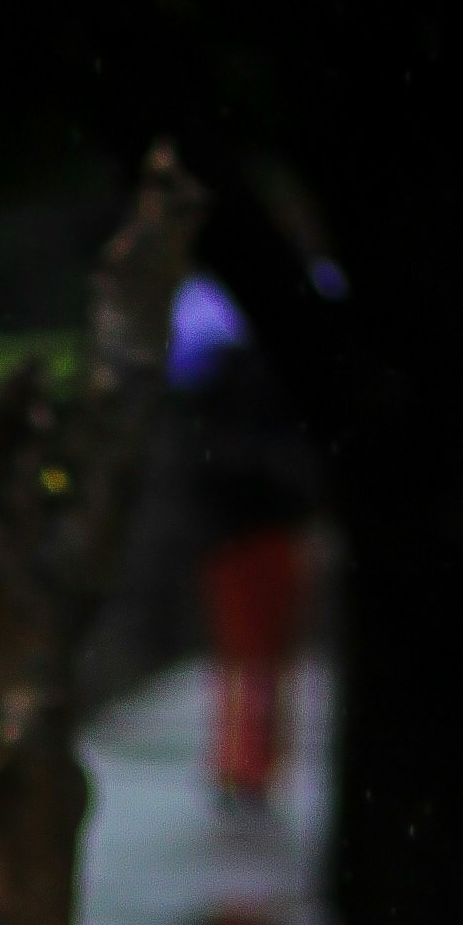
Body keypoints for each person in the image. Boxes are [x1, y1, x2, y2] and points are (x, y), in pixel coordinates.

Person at [168, 277, 322, 809]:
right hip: (259, 526)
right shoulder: (263, 374)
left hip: (236, 529)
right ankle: (249, 765)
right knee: (259, 657)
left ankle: (244, 764)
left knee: (246, 656)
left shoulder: (216, 371)